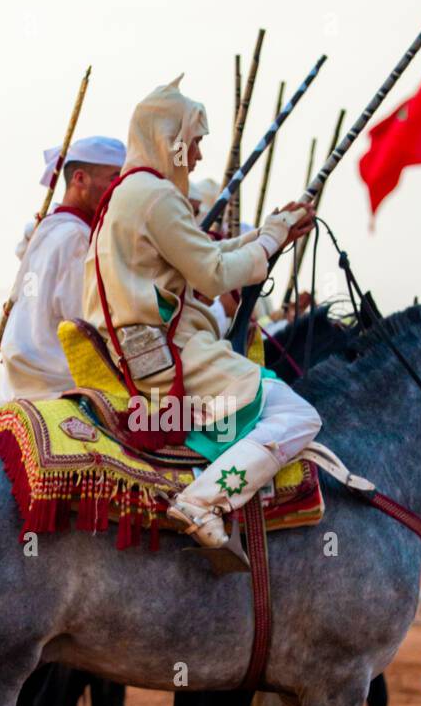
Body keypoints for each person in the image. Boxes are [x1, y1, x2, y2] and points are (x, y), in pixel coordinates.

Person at [83, 75, 321, 550]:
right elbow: (212, 275)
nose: (197, 156)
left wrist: (271, 231)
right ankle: (202, 500)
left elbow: (202, 254)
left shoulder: (130, 194)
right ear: (169, 143)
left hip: (146, 350)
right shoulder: (156, 197)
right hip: (169, 357)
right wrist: (273, 239)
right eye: (192, 143)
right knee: (300, 415)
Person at [0, 135, 126, 401]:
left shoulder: (48, 229)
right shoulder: (77, 238)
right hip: (58, 382)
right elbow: (85, 324)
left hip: (23, 383)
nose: (121, 190)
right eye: (114, 179)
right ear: (80, 179)